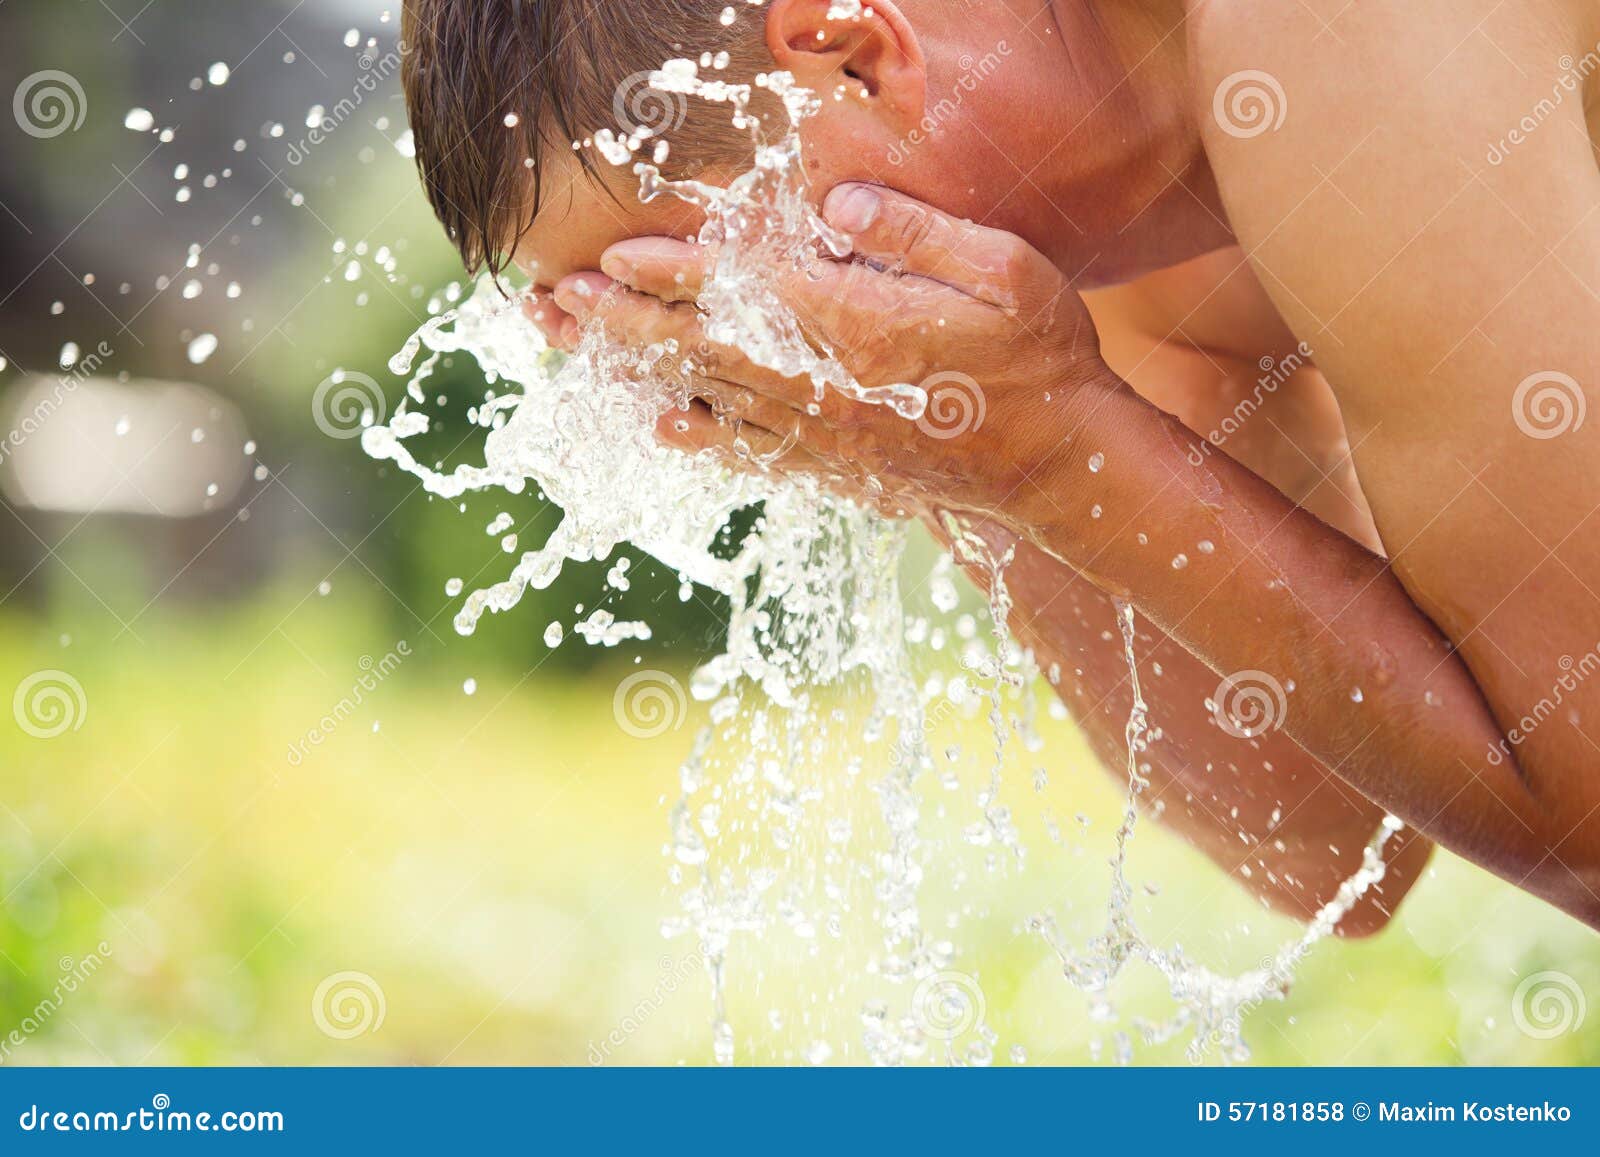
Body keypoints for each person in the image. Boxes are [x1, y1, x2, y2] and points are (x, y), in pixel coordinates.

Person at [400, 0, 1600, 931]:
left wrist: (1052, 450)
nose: (732, 346)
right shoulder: (1101, 231)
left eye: (722, 286)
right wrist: (962, 452)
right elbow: (1323, 838)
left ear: (849, 52)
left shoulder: (1328, 36)